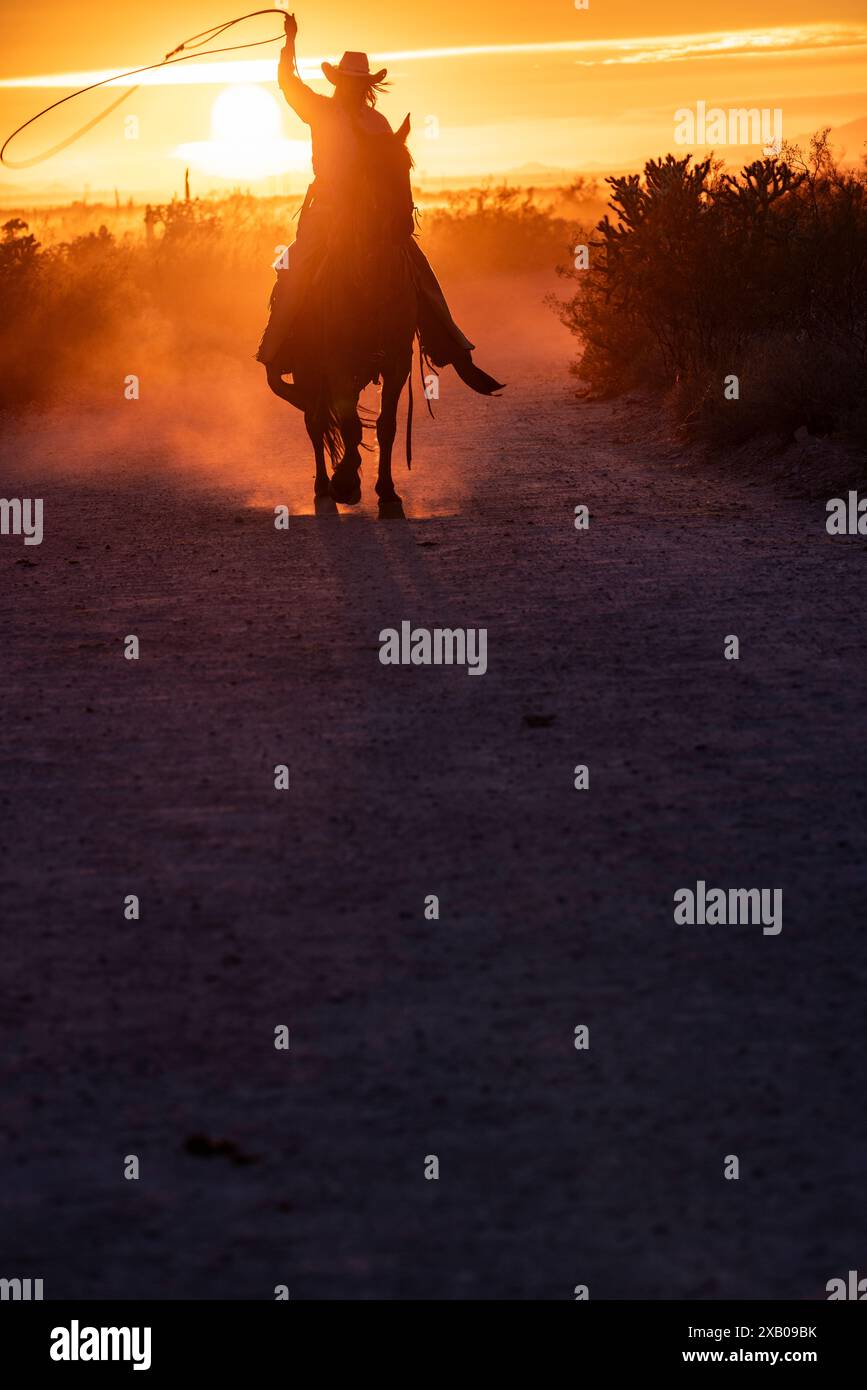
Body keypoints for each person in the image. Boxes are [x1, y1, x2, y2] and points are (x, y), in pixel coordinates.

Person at [256, 13, 503, 400]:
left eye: (359, 83)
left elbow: (391, 171)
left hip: (372, 215)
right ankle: (277, 352)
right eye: (349, 82)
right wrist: (289, 45)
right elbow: (288, 84)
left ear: (366, 86)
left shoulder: (377, 122)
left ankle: (452, 347)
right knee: (294, 268)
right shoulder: (320, 110)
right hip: (325, 213)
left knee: (417, 271)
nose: (354, 88)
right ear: (340, 82)